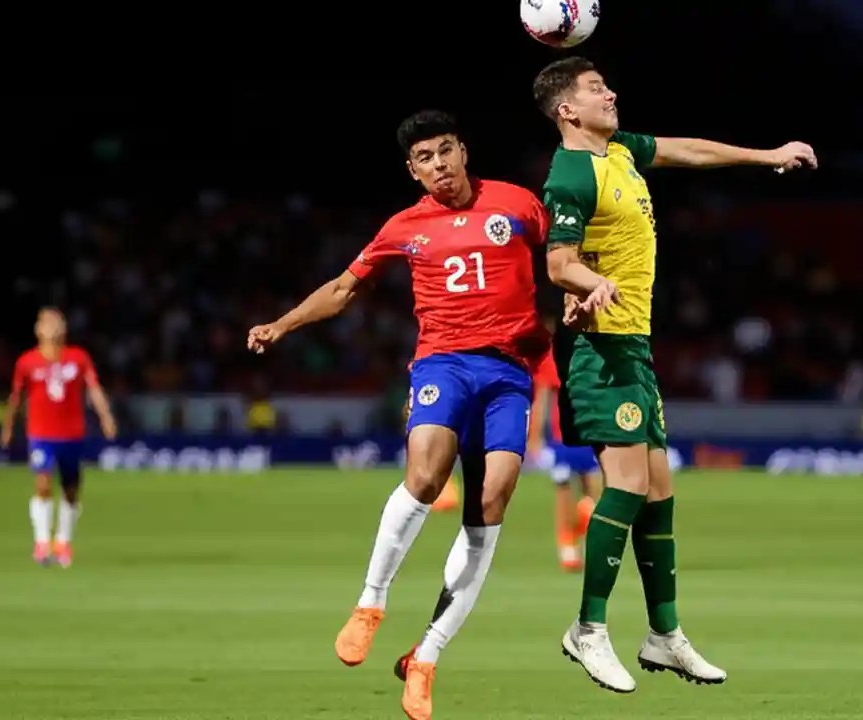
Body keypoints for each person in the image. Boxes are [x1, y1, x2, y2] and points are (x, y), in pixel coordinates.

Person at [246, 110, 549, 720]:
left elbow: (563, 257)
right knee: (426, 473)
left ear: (464, 150)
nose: (438, 166)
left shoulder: (519, 205)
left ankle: (426, 657)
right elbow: (342, 287)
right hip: (444, 364)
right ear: (412, 170)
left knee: (491, 503)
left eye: (445, 152)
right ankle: (370, 602)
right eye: (425, 159)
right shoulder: (406, 225)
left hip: (511, 372)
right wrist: (282, 324)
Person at [532, 56, 818, 693]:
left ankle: (663, 634)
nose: (611, 92)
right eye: (596, 88)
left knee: (659, 487)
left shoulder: (620, 154)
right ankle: (588, 628)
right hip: (597, 346)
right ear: (567, 110)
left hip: (632, 344)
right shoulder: (572, 172)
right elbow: (558, 263)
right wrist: (592, 280)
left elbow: (685, 149)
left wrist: (765, 154)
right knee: (629, 482)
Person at [0, 307, 118, 568]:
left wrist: (106, 416)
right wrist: (8, 426)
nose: (52, 326)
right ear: (38, 330)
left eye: (57, 322)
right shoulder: (27, 362)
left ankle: (62, 541)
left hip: (72, 434)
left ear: (64, 329)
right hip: (41, 435)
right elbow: (16, 398)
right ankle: (42, 541)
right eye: (46, 322)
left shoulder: (78, 358)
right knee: (42, 483)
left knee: (71, 490)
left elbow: (94, 389)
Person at [528, 312, 600, 571]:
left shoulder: (594, 351)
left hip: (591, 431)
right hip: (564, 436)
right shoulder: (553, 357)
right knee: (564, 491)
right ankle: (567, 547)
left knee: (594, 494)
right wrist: (534, 436)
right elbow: (543, 397)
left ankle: (580, 532)